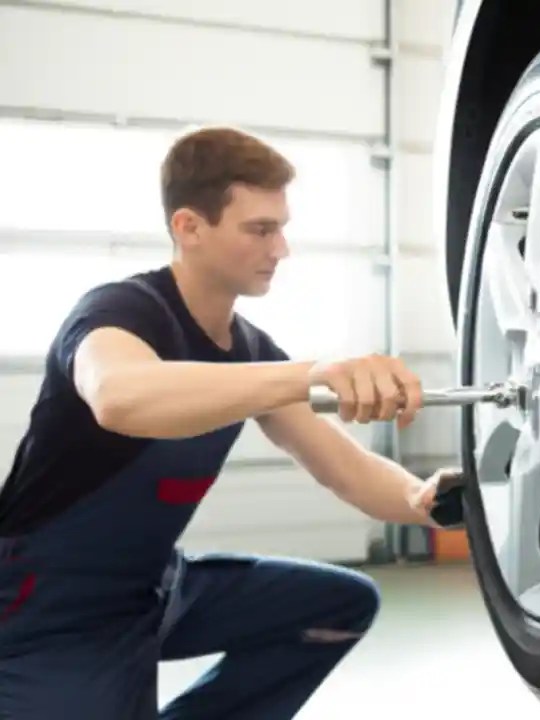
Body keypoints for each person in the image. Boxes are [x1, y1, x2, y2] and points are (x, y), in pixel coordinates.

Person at [0, 126, 463, 718]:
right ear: (189, 227)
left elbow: (346, 469)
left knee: (335, 606)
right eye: (260, 230)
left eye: (282, 228)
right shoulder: (120, 312)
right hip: (48, 611)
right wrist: (309, 375)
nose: (281, 250)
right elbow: (121, 397)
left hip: (155, 590)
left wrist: (426, 499)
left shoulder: (251, 350)